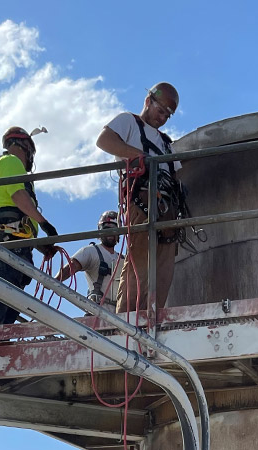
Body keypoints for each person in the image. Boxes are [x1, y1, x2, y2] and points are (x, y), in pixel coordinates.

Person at [96, 84, 183, 323]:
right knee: (140, 265)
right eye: (161, 110)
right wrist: (139, 156)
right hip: (142, 203)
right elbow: (104, 140)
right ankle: (126, 322)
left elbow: (178, 176)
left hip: (167, 209)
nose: (163, 117)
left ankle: (152, 321)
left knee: (164, 270)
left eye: (168, 114)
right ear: (148, 101)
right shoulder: (129, 122)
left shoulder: (166, 143)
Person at [0, 125, 59, 327]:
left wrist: (38, 244)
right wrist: (44, 223)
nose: (30, 156)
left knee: (11, 299)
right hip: (11, 244)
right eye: (30, 150)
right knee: (3, 295)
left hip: (17, 242)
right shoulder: (10, 161)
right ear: (22, 145)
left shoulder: (9, 165)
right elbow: (18, 196)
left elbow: (19, 219)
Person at [55, 210, 124, 306]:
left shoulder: (123, 260)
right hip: (97, 309)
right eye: (107, 228)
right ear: (100, 230)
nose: (111, 233)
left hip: (120, 312)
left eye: (114, 229)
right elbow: (72, 266)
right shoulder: (91, 252)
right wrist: (54, 280)